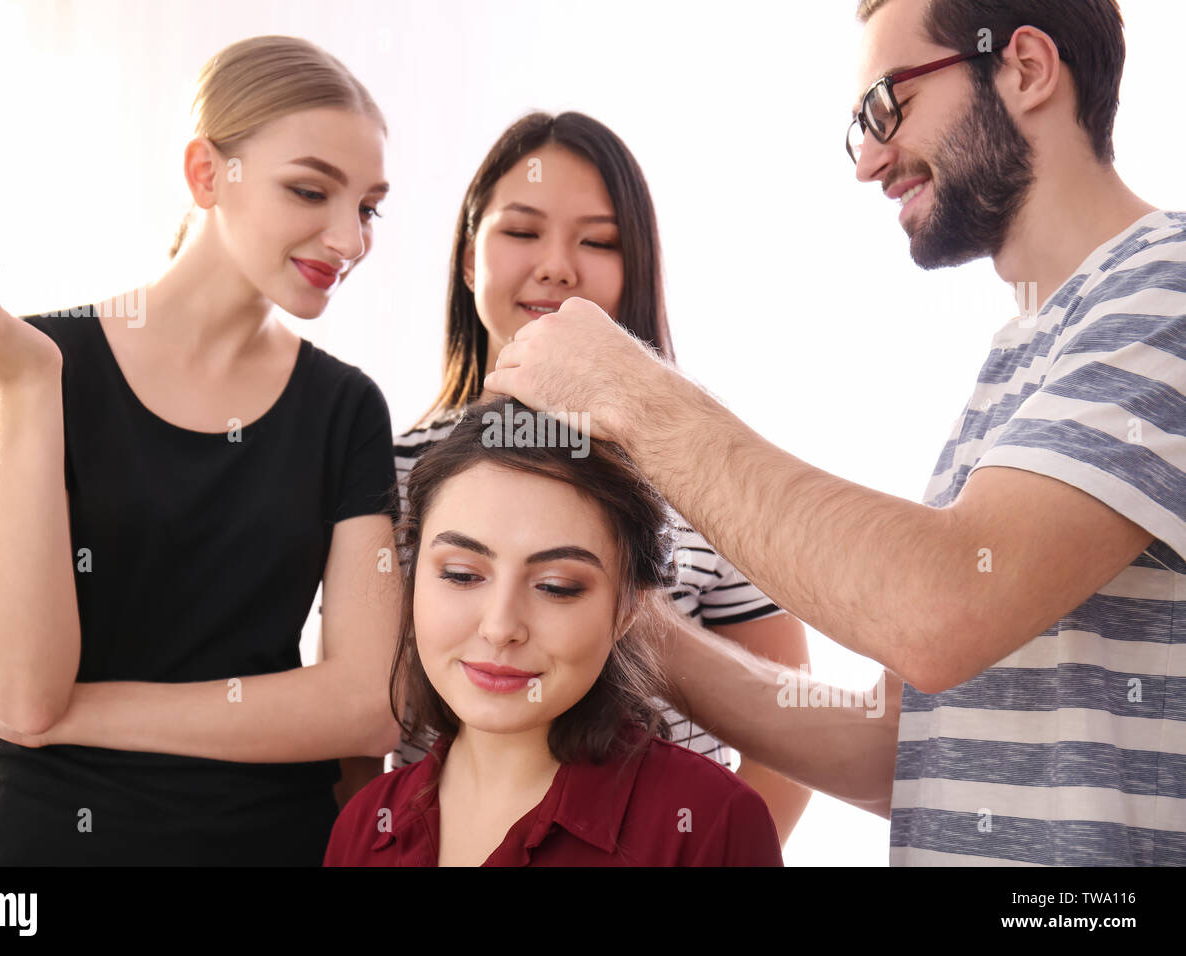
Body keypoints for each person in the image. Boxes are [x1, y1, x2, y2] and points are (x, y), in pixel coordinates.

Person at [482, 0, 1185, 866]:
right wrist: (632, 621)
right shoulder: (1028, 355)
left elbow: (944, 605)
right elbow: (898, 752)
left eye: (888, 106)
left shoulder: (1168, 291)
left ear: (1026, 68)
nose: (871, 161)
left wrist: (631, 391)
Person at [0, 35, 402, 864]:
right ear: (206, 174)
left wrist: (71, 712)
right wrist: (26, 386)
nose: (351, 239)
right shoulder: (37, 362)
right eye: (312, 190)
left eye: (369, 206)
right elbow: (19, 690)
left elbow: (364, 706)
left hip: (263, 845)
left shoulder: (344, 408)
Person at [373, 110, 813, 844]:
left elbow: (793, 733)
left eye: (598, 241)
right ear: (469, 258)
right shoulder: (385, 474)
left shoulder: (705, 465)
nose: (556, 265)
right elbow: (364, 725)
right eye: (521, 232)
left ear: (635, 266)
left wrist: (703, 848)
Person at [323, 396, 783, 866]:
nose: (500, 627)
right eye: (462, 574)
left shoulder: (709, 822)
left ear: (628, 608)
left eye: (556, 587)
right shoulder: (365, 824)